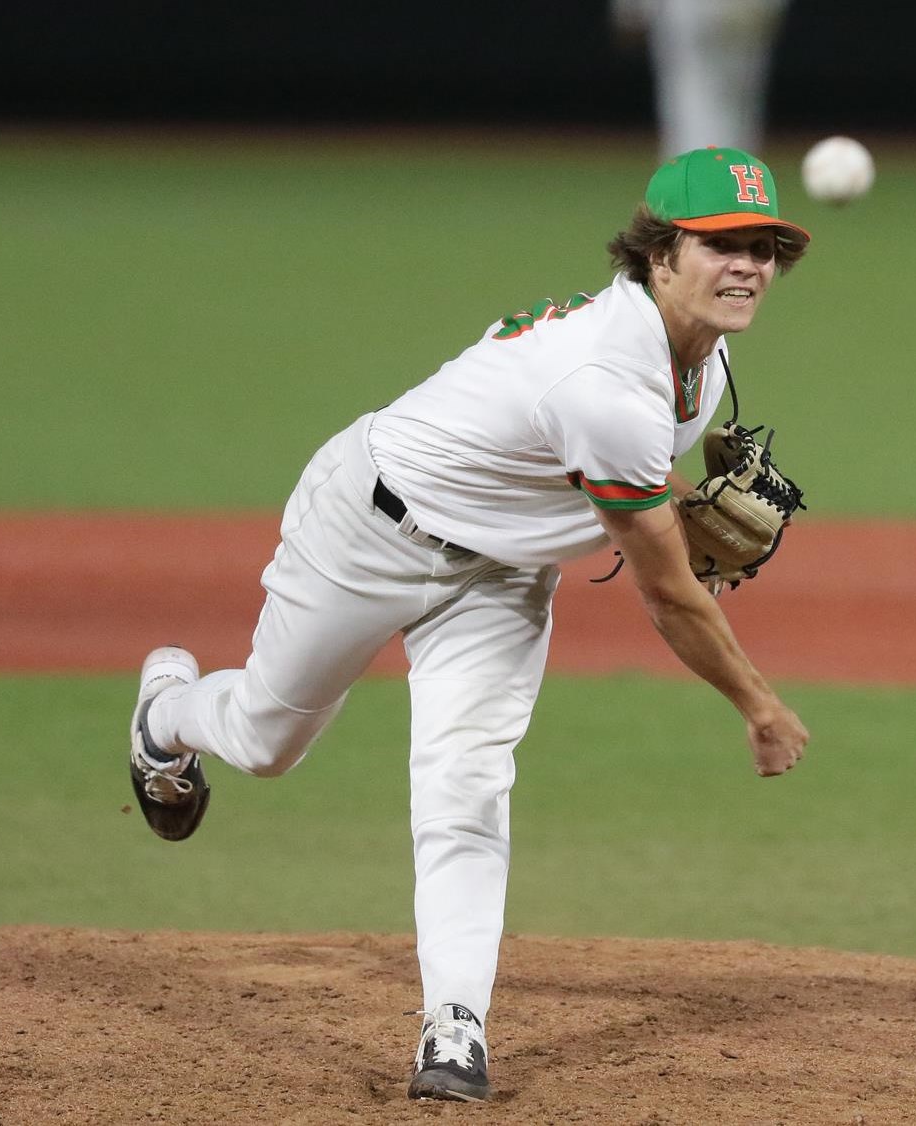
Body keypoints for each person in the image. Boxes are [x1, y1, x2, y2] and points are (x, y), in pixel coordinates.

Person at [125, 145, 814, 1103]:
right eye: (721, 245)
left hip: (502, 574)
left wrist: (667, 497)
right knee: (266, 741)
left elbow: (616, 464)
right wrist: (760, 706)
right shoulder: (603, 379)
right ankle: (165, 716)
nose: (747, 266)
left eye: (763, 247)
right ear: (660, 255)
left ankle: (455, 1027)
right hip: (368, 528)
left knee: (467, 785)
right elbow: (665, 593)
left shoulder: (700, 351)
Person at [611, 0, 792, 159]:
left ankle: (696, 178)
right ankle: (735, 178)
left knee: (694, 96)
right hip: (751, 9)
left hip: (693, 9)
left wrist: (631, 9)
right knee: (739, 105)